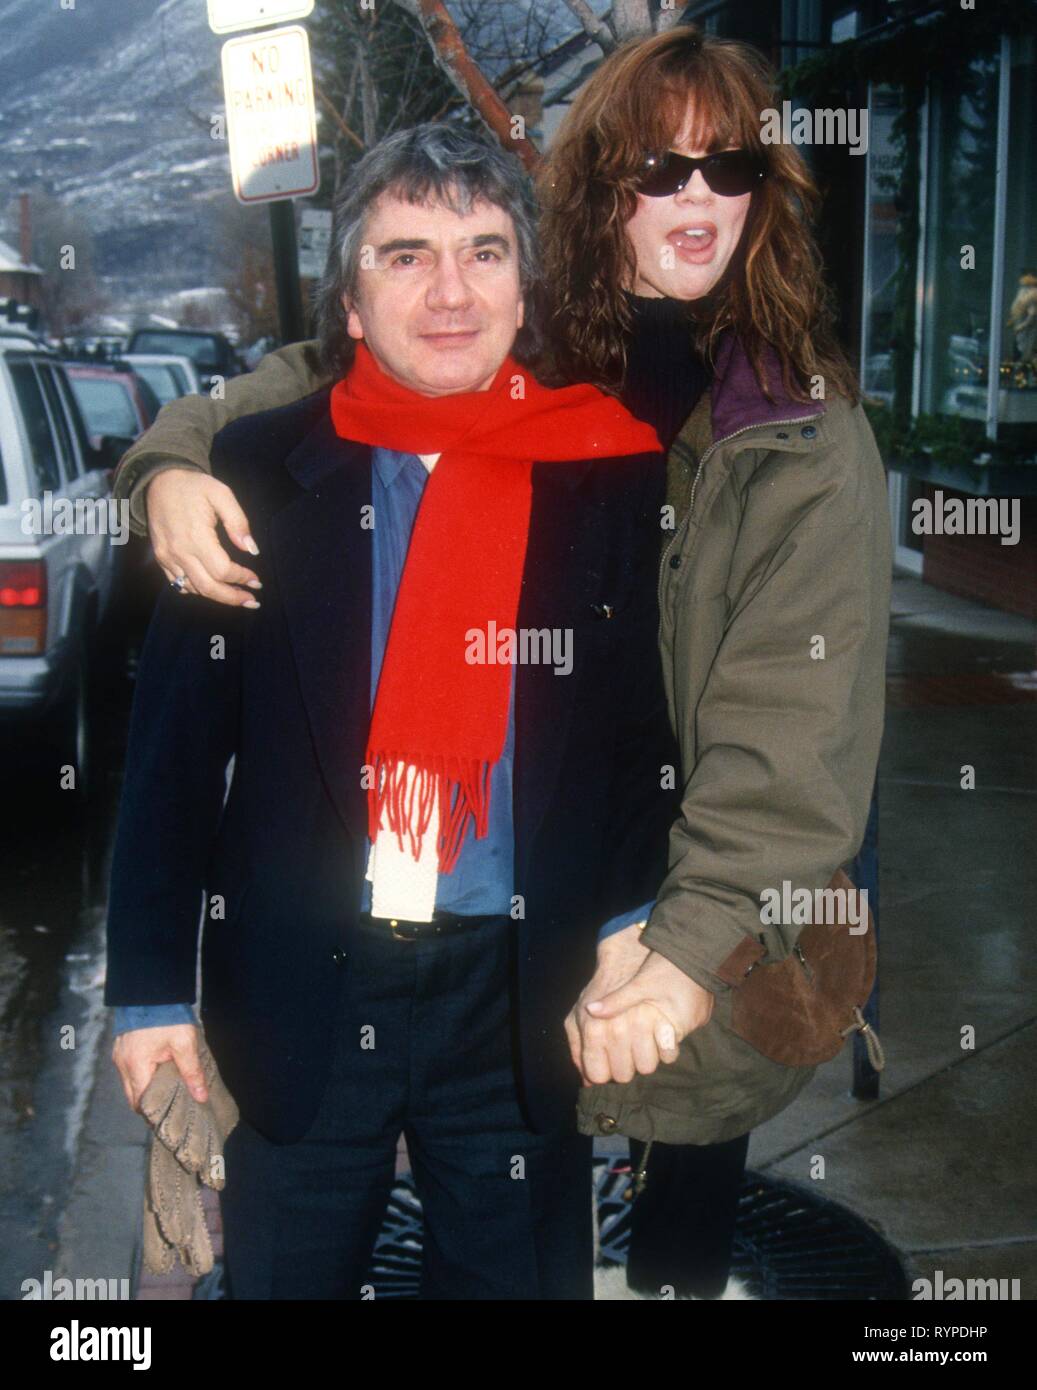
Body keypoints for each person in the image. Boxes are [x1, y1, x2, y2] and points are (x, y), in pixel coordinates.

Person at [111, 26, 892, 1300]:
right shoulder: (451, 397)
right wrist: (165, 467)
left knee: (621, 1228)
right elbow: (174, 751)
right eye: (656, 167)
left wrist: (664, 934)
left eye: (726, 164)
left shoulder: (703, 446)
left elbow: (735, 742)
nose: (693, 196)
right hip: (319, 984)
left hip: (584, 952)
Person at [105, 123, 688, 1301]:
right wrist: (151, 994)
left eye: (482, 250)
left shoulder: (606, 472)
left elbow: (635, 735)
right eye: (405, 254)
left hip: (520, 993)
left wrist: (635, 924)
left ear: (524, 288)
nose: (451, 290)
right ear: (352, 304)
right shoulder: (257, 471)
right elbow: (169, 762)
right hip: (306, 988)